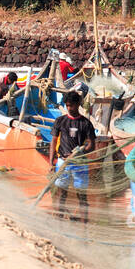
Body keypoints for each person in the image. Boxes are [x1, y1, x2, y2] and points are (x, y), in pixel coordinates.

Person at [49, 90, 96, 223]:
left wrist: (79, 153)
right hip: (62, 162)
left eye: (72, 105)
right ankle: (58, 221)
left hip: (80, 164)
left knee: (82, 195)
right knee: (61, 194)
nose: (69, 108)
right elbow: (53, 142)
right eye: (67, 105)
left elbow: (91, 145)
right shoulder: (60, 121)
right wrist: (51, 163)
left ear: (78, 104)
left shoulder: (86, 123)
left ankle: (84, 226)